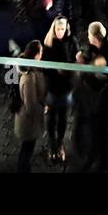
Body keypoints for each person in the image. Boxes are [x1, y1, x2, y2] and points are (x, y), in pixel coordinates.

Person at [42, 18, 75, 164]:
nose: (60, 32)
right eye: (58, 30)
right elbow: (44, 66)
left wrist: (69, 68)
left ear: (66, 28)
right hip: (52, 86)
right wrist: (56, 69)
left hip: (66, 86)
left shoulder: (71, 41)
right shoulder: (49, 43)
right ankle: (51, 143)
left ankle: (60, 143)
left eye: (62, 29)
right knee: (51, 117)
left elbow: (75, 59)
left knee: (63, 117)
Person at [14, 40, 44, 173]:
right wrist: (43, 111)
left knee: (27, 148)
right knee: (27, 149)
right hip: (28, 121)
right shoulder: (29, 78)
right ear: (37, 55)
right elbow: (31, 105)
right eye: (41, 52)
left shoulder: (30, 70)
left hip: (27, 119)